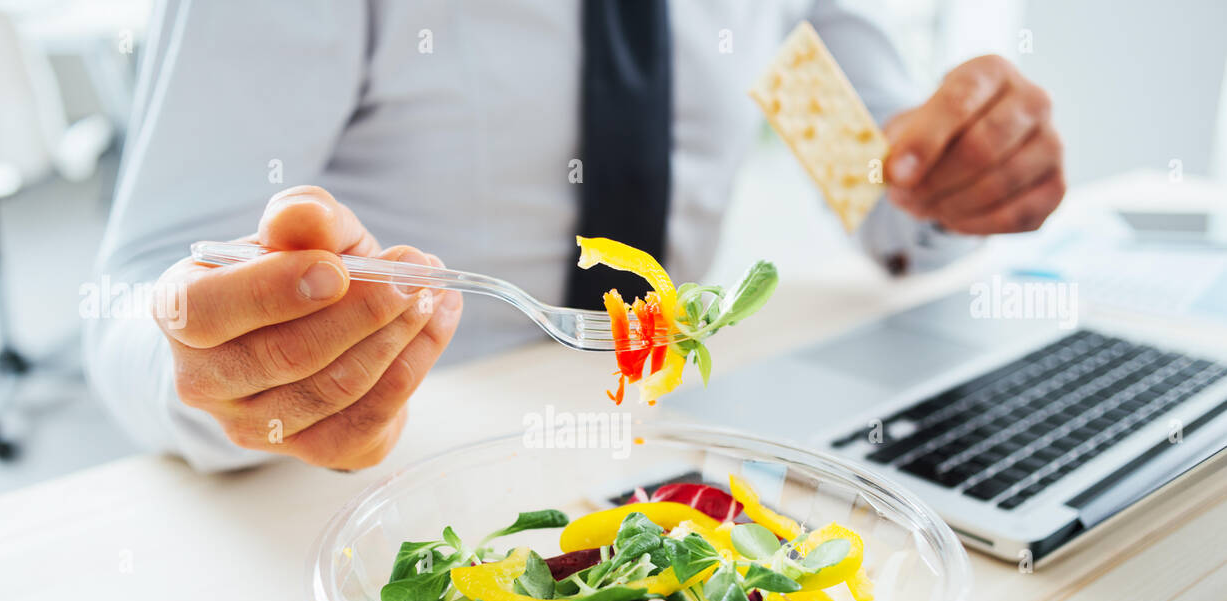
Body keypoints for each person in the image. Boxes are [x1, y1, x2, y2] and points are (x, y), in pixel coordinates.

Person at [86, 0, 1064, 472]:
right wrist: (232, 373)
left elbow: (886, 193)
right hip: (390, 478)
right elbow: (140, 294)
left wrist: (961, 172)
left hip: (679, 446)